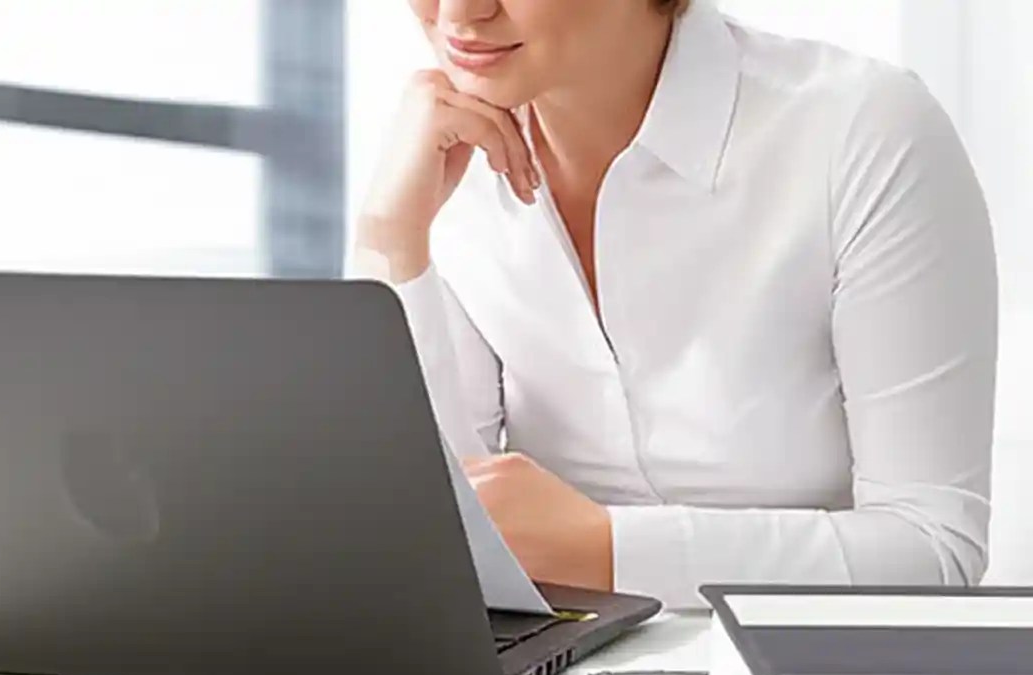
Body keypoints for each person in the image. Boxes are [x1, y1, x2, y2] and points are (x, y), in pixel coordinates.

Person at [354, 0, 997, 608]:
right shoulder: (444, 152)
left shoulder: (861, 131)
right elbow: (424, 536)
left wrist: (607, 550)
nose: (458, 13)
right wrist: (391, 242)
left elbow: (933, 548)